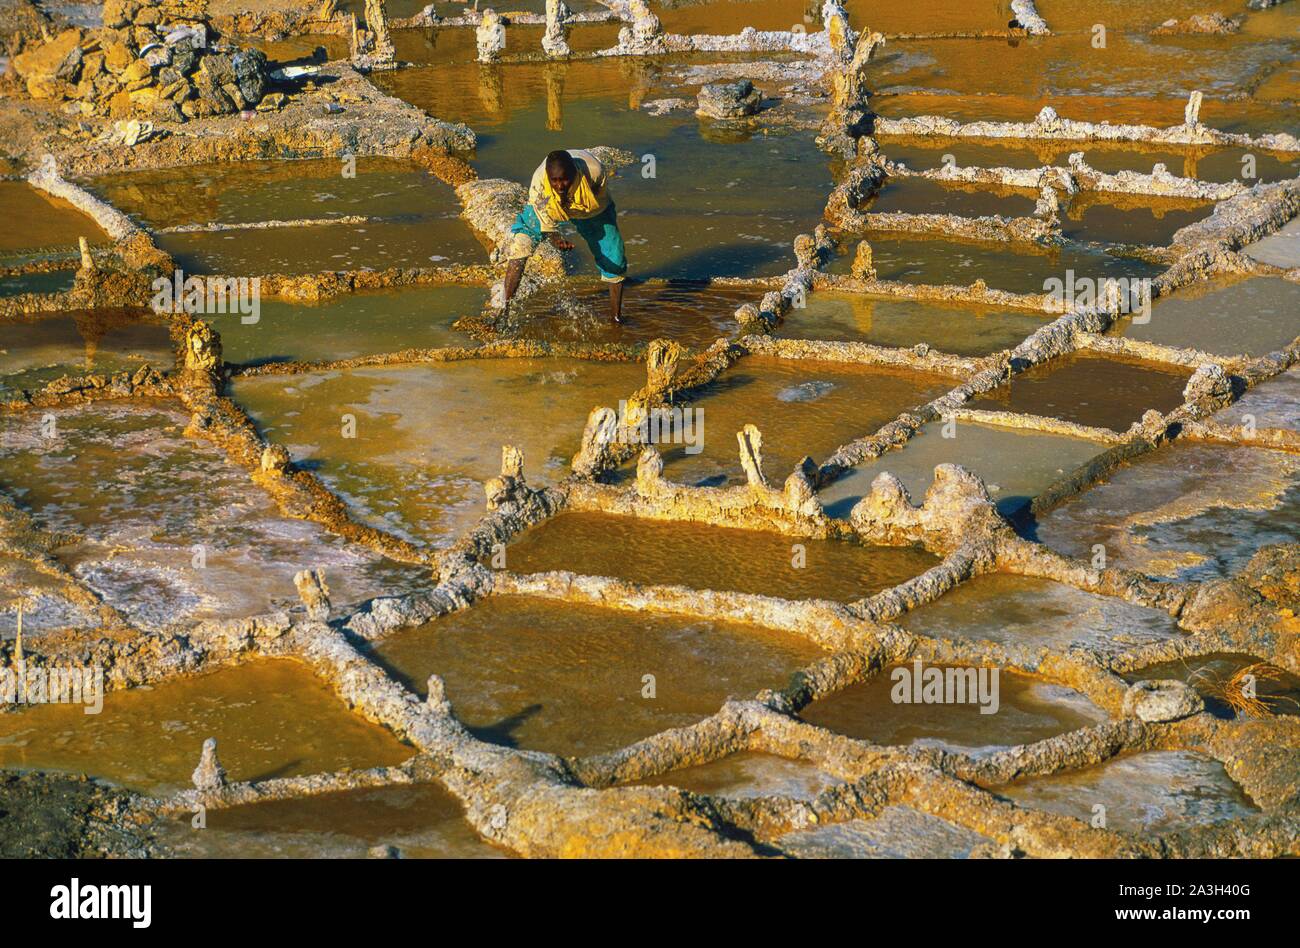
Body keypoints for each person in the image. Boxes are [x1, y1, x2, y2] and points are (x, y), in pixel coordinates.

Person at [501, 148, 628, 323]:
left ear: (575, 173)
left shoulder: (595, 173)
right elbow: (545, 217)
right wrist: (556, 238)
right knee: (521, 245)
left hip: (590, 206)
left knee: (614, 259)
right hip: (545, 206)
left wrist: (569, 205)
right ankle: (504, 313)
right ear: (547, 176)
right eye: (555, 181)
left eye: (565, 179)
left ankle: (616, 318)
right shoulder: (539, 185)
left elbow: (595, 202)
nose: (560, 186)